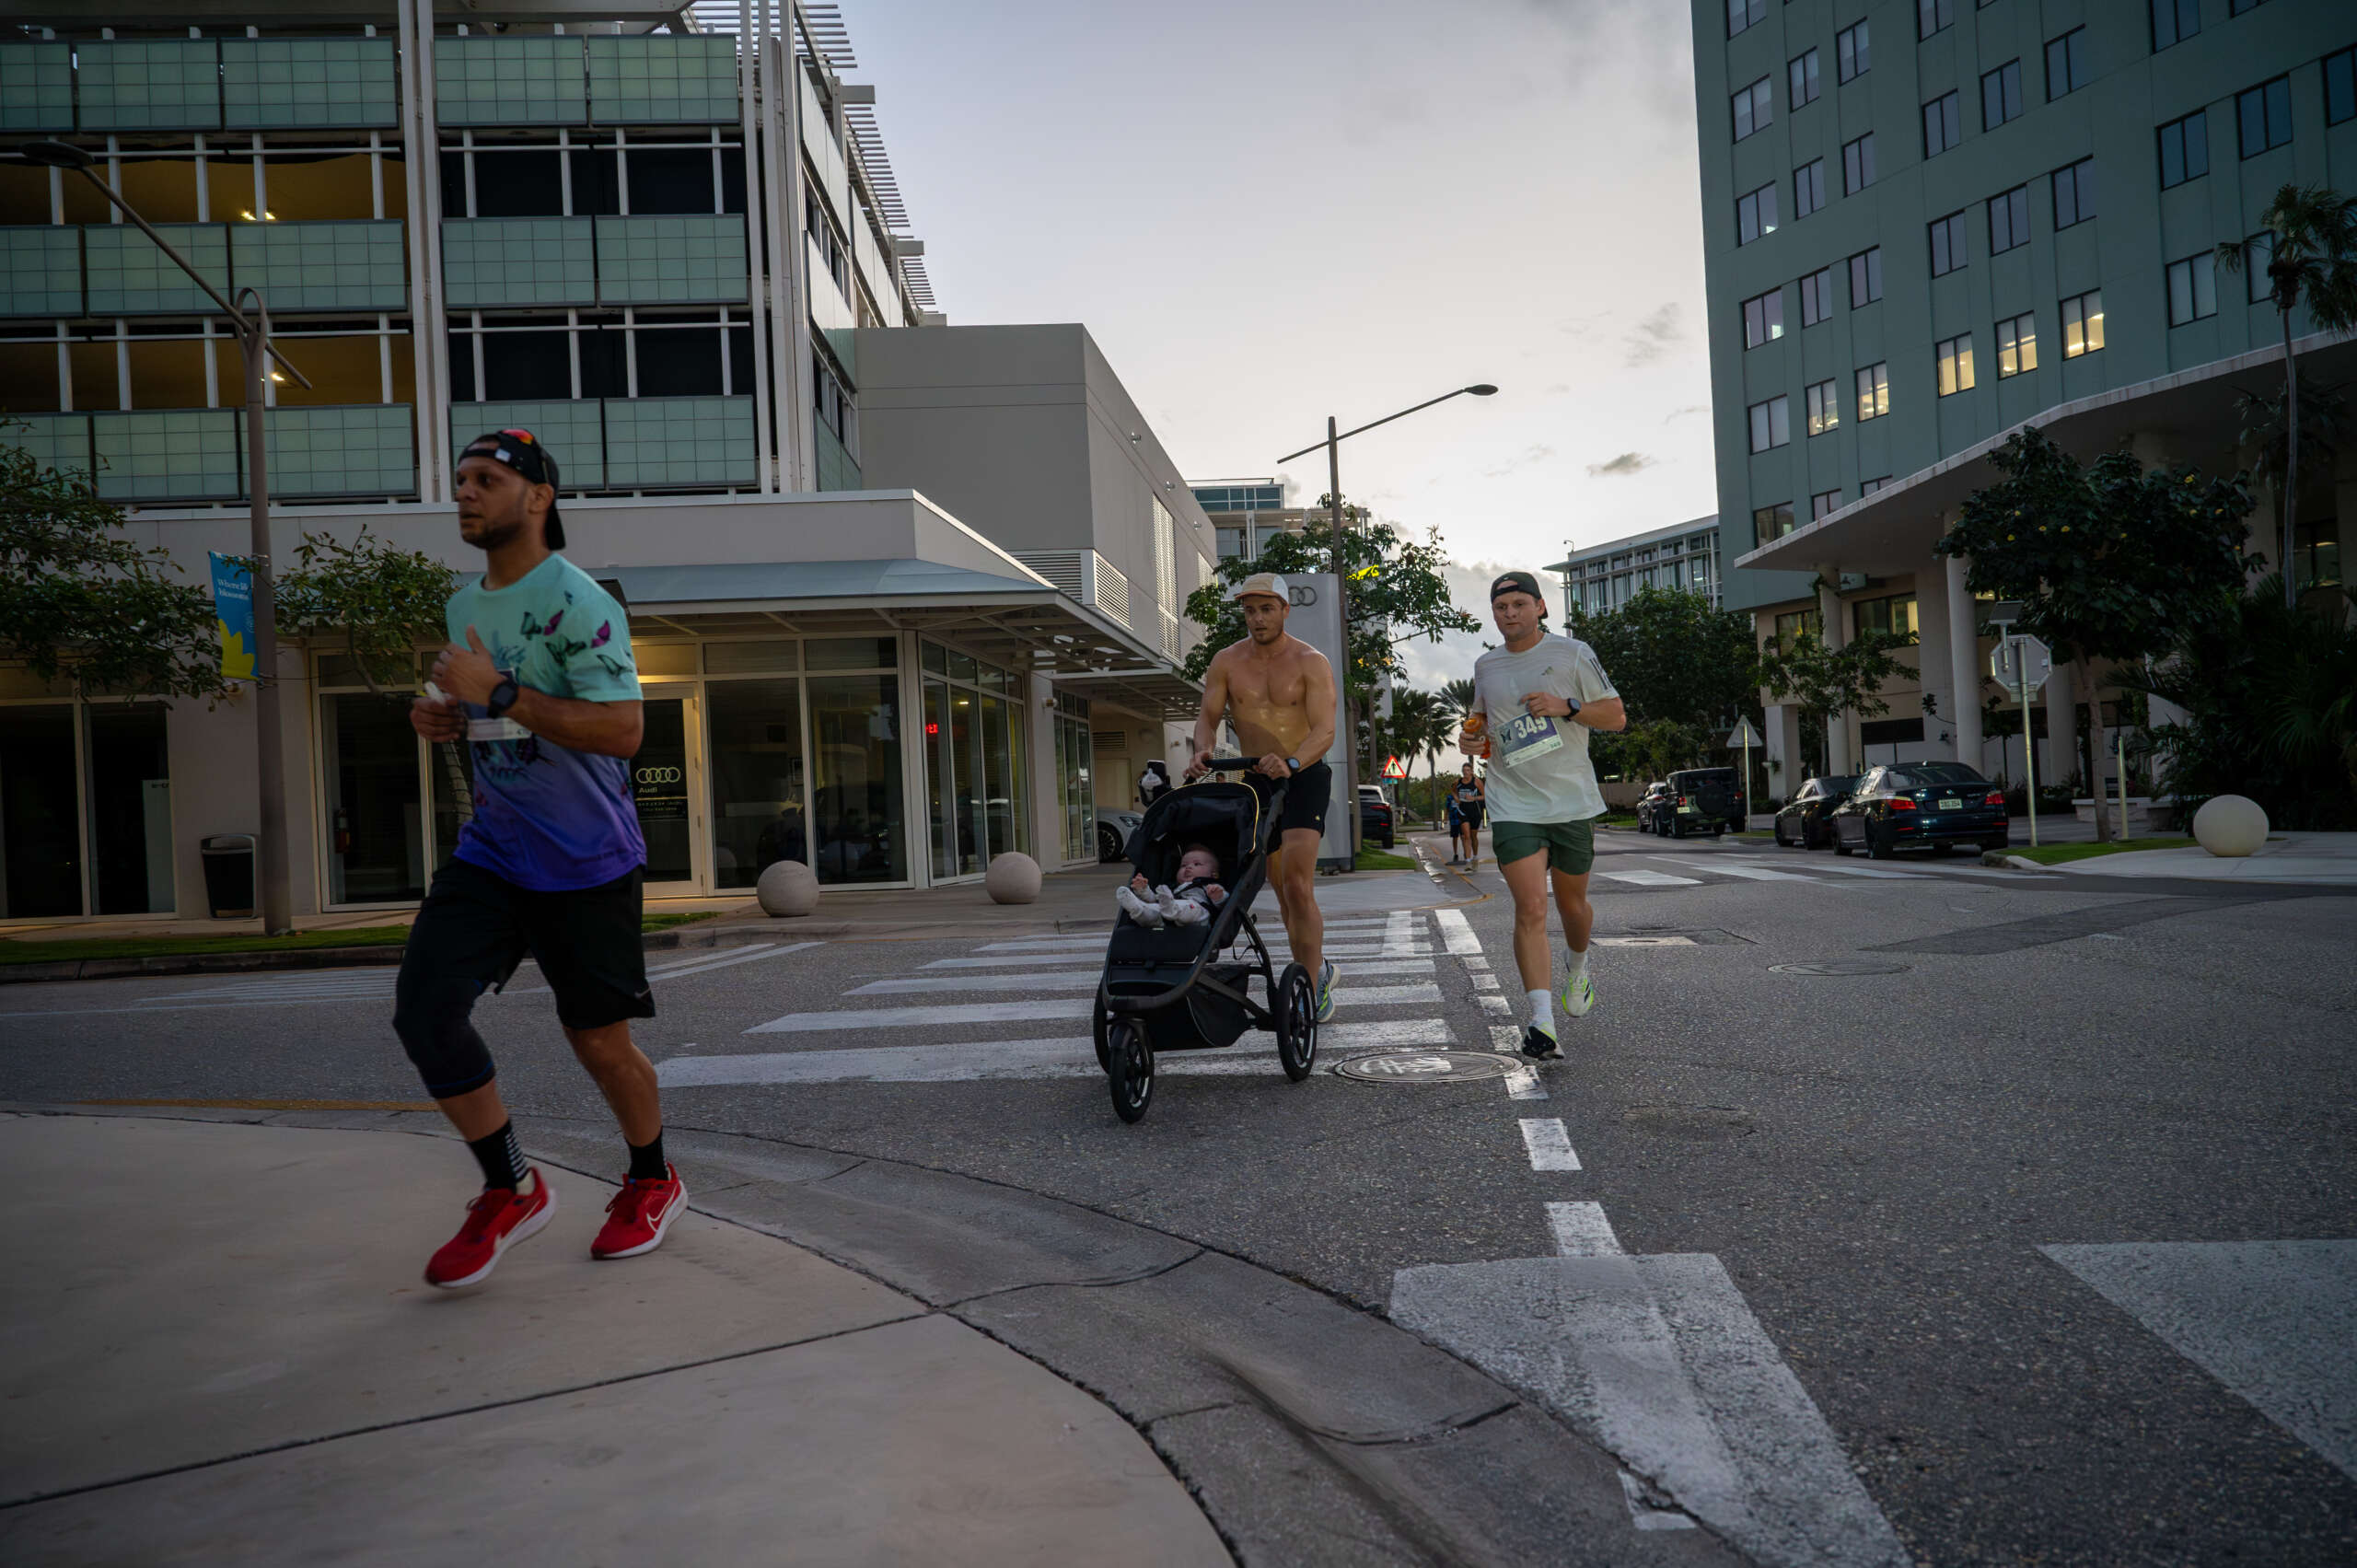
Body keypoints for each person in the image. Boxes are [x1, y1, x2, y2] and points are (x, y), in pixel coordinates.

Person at [398, 428, 684, 1289]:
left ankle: (653, 1179)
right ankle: (511, 1187)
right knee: (425, 1012)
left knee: (598, 1041)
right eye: (461, 479)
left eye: (486, 479)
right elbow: (475, 710)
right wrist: (442, 715)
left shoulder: (581, 601)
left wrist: (499, 692)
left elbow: (624, 731)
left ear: (538, 497)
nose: (465, 492)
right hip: (492, 851)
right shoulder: (463, 604)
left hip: (587, 859)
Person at [1459, 570, 1626, 1062]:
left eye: (1519, 604)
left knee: (1572, 908)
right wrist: (1471, 737)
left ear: (1540, 608)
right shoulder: (1486, 665)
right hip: (1513, 802)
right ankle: (1541, 1022)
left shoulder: (1573, 654)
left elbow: (1615, 716)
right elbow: (1481, 721)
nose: (1510, 613)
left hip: (1571, 801)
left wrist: (1566, 706)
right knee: (1531, 907)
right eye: (1501, 607)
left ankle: (1578, 967)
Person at [1187, 572, 1340, 1021]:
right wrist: (1202, 750)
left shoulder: (1311, 661)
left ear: (1285, 610)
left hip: (1303, 775)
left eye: (1267, 609)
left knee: (1297, 883)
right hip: (1255, 780)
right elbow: (1208, 717)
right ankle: (1317, 967)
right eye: (1250, 610)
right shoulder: (1227, 661)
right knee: (1280, 888)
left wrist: (1291, 762)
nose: (1257, 618)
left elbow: (1325, 731)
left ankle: (1310, 989)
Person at [1114, 842, 1228, 928]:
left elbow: (1225, 902)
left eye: (1197, 864)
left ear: (1214, 874)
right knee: (1155, 907)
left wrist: (1218, 897)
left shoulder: (1210, 886)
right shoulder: (1175, 889)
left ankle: (1171, 909)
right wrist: (1143, 890)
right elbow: (1155, 900)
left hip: (1199, 914)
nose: (1188, 867)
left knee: (1190, 907)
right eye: (1183, 865)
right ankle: (1140, 910)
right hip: (1170, 916)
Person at [1451, 761, 1486, 866]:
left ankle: (1475, 856)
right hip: (1463, 811)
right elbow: (1453, 791)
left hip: (1475, 811)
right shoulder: (1458, 782)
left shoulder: (1477, 781)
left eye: (1467, 770)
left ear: (1471, 771)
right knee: (1466, 836)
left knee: (1473, 836)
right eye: (1464, 770)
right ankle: (1468, 861)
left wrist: (1473, 798)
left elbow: (1484, 796)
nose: (1465, 772)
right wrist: (1456, 798)